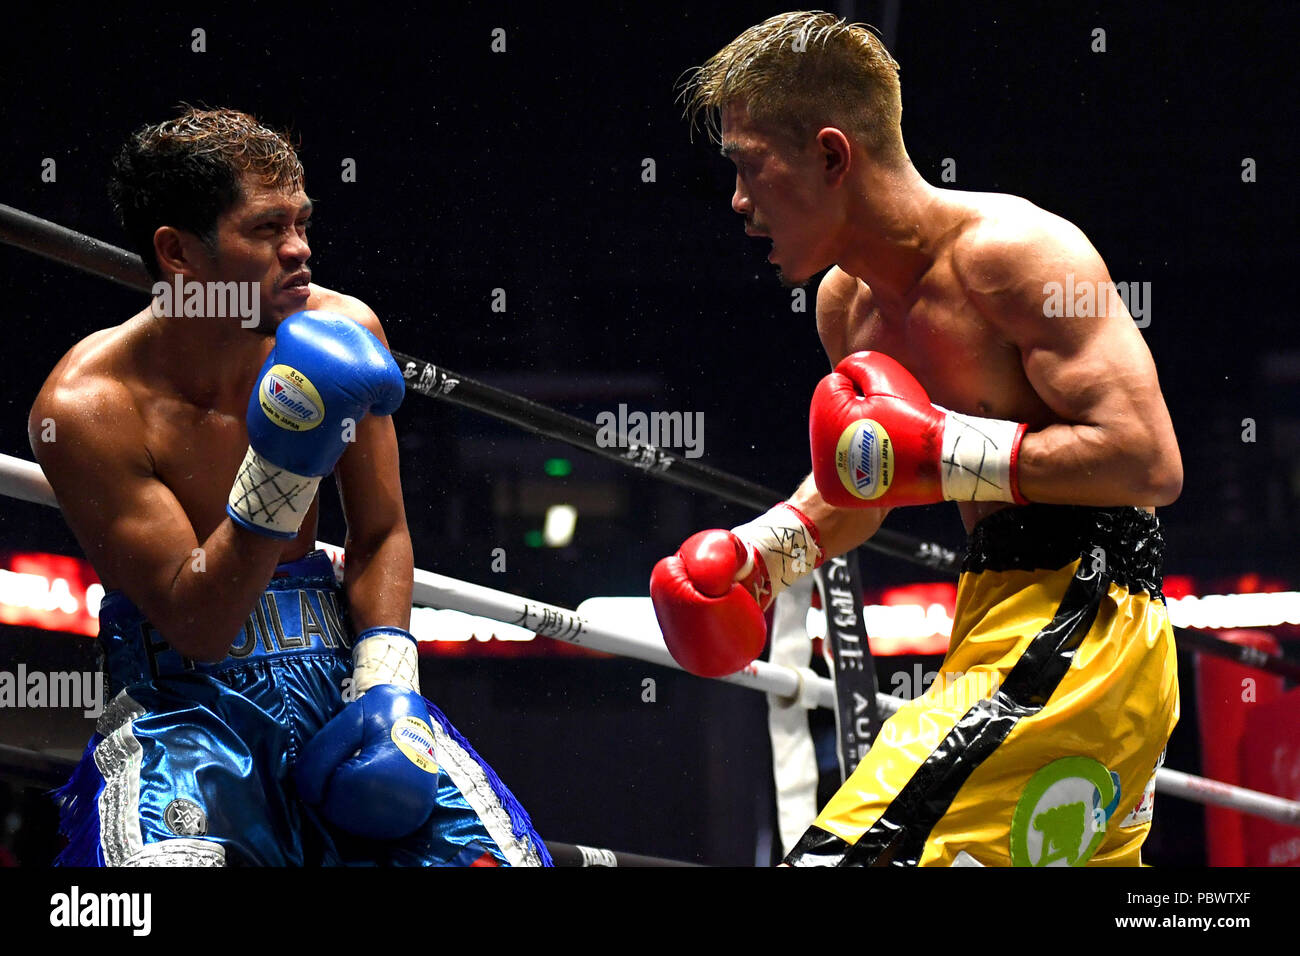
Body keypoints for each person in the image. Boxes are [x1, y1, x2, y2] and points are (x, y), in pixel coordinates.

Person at [652, 12, 1182, 866]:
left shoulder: (1018, 255)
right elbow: (867, 480)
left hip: (1089, 617)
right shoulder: (845, 306)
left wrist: (941, 449)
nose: (739, 201)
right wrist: (761, 557)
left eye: (751, 166)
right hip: (996, 619)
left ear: (831, 155)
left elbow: (1147, 461)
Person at [29, 106, 549, 866]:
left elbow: (380, 533)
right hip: (184, 702)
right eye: (267, 229)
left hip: (340, 666)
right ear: (178, 252)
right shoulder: (87, 408)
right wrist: (285, 458)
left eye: (302, 222)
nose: (299, 250)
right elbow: (198, 624)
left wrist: (384, 682)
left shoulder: (341, 327)